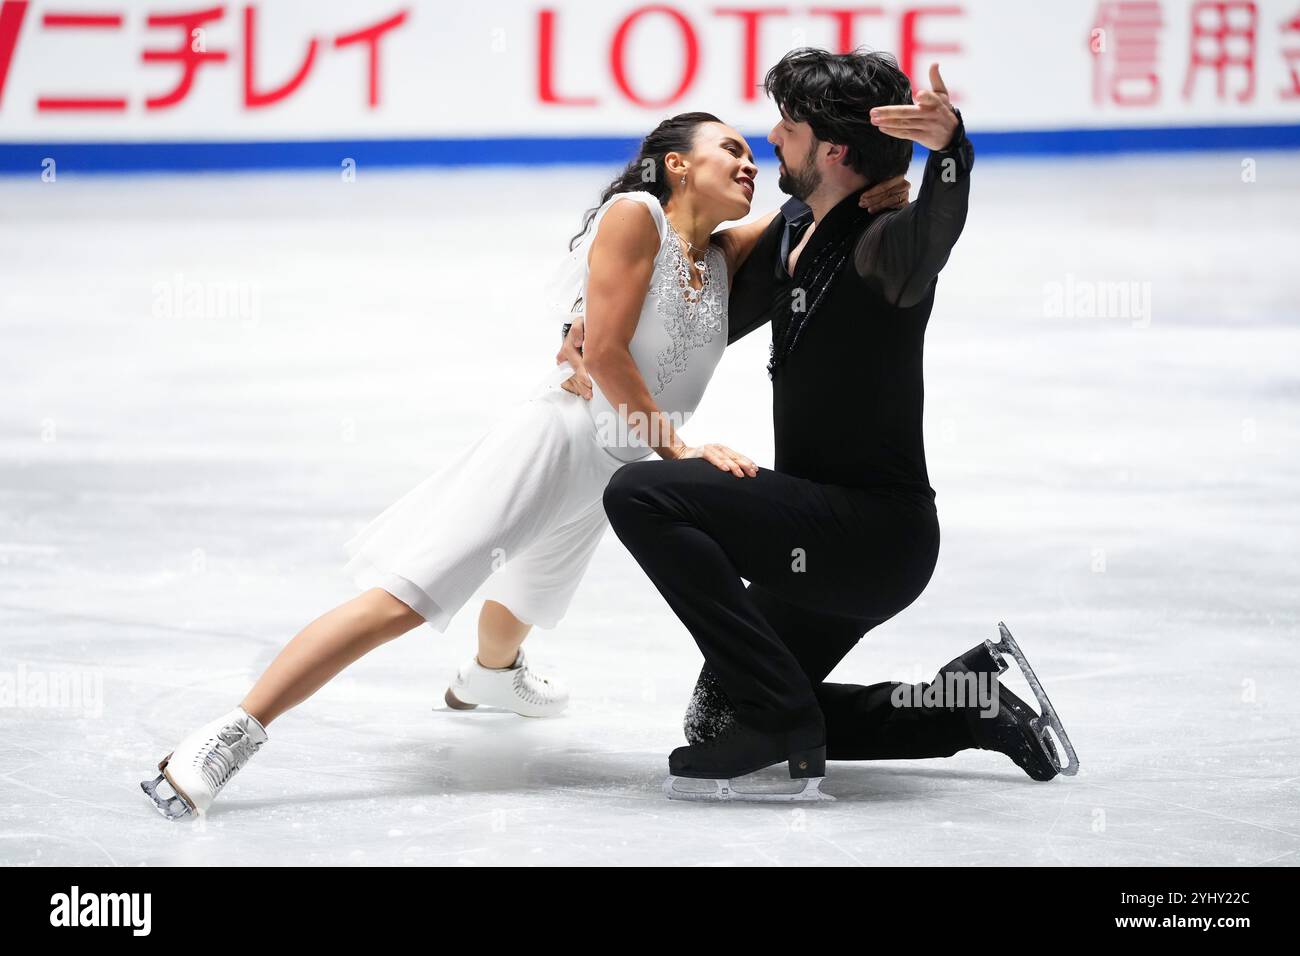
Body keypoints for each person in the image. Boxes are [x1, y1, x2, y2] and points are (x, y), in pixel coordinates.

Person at [138, 109, 911, 820]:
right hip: (558, 442)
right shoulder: (634, 215)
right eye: (731, 150)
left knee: (531, 595)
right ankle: (230, 735)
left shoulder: (720, 248)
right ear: (676, 164)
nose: (749, 163)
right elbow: (602, 353)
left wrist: (881, 188)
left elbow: (812, 211)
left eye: (753, 153)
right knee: (406, 599)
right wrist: (678, 448)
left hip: (617, 467)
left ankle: (488, 678)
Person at [565, 49, 1079, 801]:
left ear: (832, 151)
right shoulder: (799, 228)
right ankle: (964, 704)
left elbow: (937, 230)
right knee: (715, 719)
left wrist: (950, 154)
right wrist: (584, 326)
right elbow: (689, 317)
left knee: (644, 495)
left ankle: (781, 719)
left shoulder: (885, 248)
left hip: (871, 537)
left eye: (791, 126)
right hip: (818, 538)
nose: (773, 134)